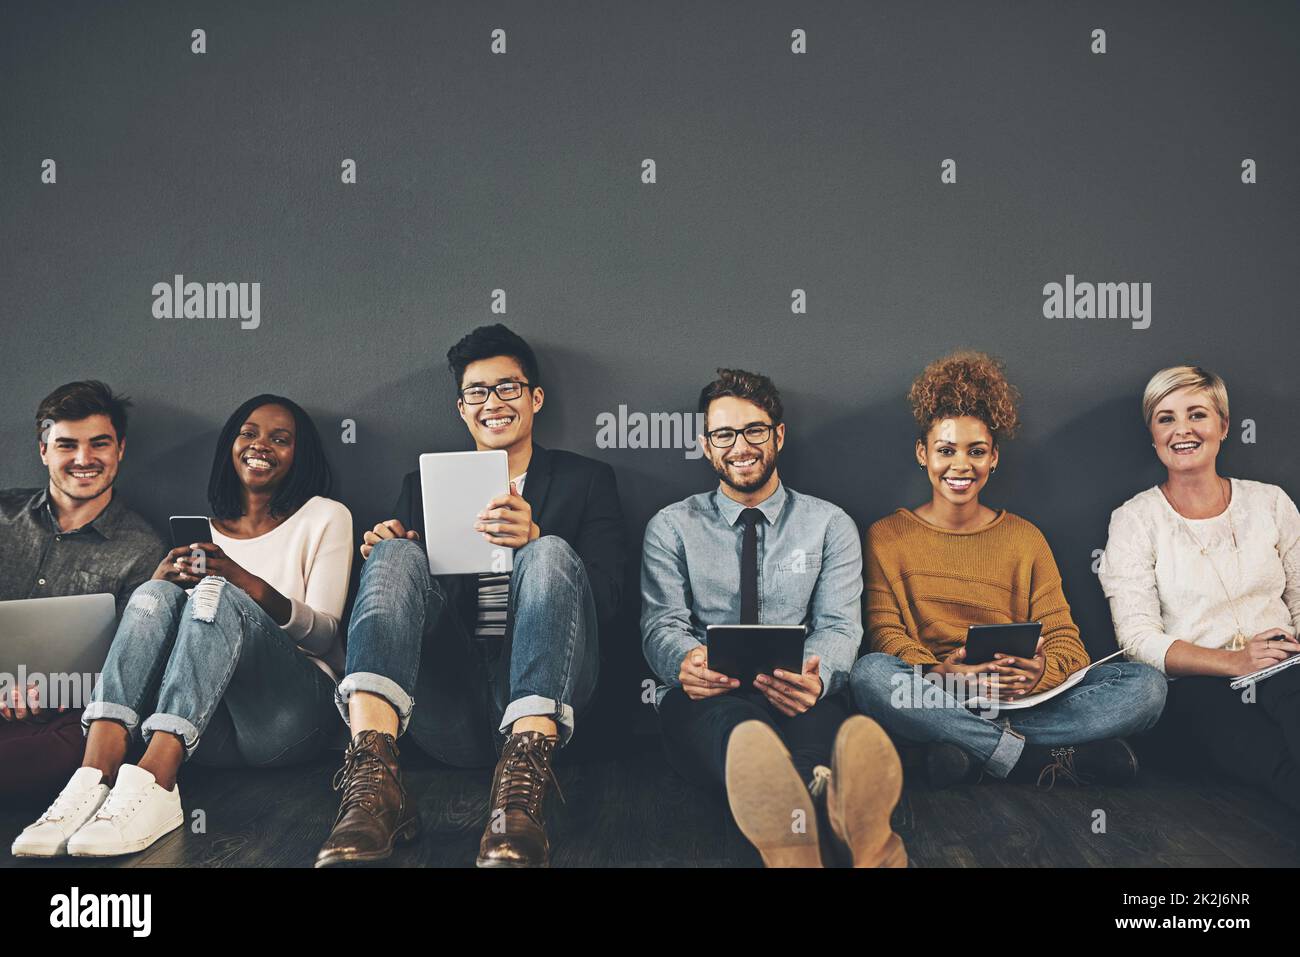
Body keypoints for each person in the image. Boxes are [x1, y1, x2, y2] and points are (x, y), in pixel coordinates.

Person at [316, 324, 625, 868]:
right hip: (450, 708)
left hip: (547, 710)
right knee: (393, 555)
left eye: (508, 388)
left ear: (535, 399)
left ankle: (519, 800)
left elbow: (608, 605)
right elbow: (409, 617)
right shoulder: (422, 486)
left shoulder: (588, 480)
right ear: (462, 409)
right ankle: (371, 780)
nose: (493, 403)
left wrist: (535, 539)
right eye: (477, 392)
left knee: (550, 552)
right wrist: (393, 555)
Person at [11, 395, 351, 857]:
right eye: (248, 433)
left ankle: (155, 780)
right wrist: (161, 594)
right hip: (204, 729)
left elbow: (326, 636)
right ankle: (92, 779)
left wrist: (244, 582)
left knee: (217, 593)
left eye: (280, 438)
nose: (260, 445)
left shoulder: (325, 516)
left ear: (299, 453)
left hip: (288, 721)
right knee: (154, 593)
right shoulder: (202, 533)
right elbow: (187, 646)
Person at [850, 352, 1166, 789]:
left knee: (1147, 686)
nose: (961, 465)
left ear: (994, 457)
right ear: (923, 453)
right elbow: (886, 634)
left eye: (976, 451)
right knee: (870, 675)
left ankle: (969, 748)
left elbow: (1066, 643)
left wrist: (1040, 672)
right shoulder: (887, 536)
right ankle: (1033, 759)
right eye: (946, 450)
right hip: (939, 693)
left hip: (1025, 700)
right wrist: (940, 673)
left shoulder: (1025, 538)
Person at [642, 368, 906, 868]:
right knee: (741, 732)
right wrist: (685, 661)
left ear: (778, 435)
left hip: (800, 694)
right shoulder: (671, 527)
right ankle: (844, 827)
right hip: (706, 698)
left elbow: (840, 626)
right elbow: (661, 625)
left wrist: (819, 675)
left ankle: (805, 832)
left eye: (754, 430)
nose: (739, 446)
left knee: (818, 738)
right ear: (706, 445)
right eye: (724, 434)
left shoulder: (830, 525)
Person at [1099, 365, 1300, 812]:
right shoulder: (1134, 520)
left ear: (1224, 427)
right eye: (1166, 418)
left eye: (1197, 415)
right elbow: (1137, 640)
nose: (1182, 430)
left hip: (1285, 666)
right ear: (1152, 435)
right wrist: (1233, 661)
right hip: (1199, 685)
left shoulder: (1271, 502)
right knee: (1276, 763)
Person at [0, 381, 165, 805]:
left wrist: (51, 691)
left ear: (120, 449)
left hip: (67, 717)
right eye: (66, 445)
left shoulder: (143, 548)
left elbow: (135, 666)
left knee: (81, 746)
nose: (83, 459)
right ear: (43, 451)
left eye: (99, 444)